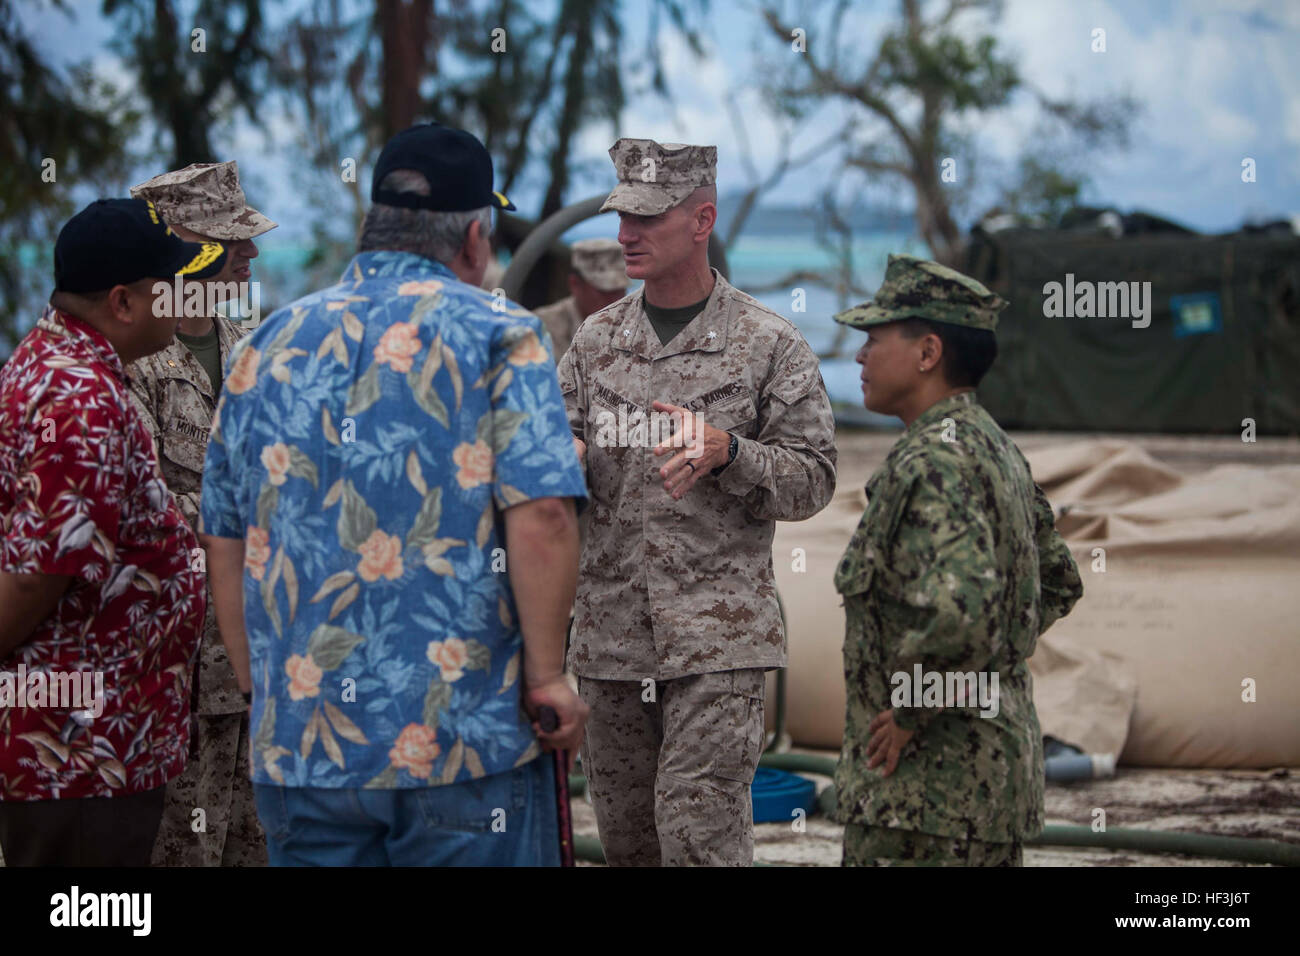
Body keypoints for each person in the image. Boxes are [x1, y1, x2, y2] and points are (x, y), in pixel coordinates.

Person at [198, 123, 589, 866]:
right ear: (475, 238)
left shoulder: (264, 346)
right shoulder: (503, 335)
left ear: (372, 225)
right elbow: (542, 514)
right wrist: (547, 678)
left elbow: (223, 535)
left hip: (302, 749)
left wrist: (263, 689)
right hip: (461, 746)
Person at [557, 138, 837, 866]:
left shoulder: (769, 343)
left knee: (698, 838)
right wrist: (566, 464)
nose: (627, 235)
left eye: (648, 218)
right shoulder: (593, 344)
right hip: (611, 644)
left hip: (717, 642)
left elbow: (815, 478)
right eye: (623, 217)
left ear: (702, 218)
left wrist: (731, 454)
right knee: (629, 844)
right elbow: (550, 465)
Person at [831, 254, 1084, 866]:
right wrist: (987, 661)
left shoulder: (932, 462)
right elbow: (1058, 581)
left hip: (925, 799)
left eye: (874, 339)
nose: (859, 357)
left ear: (927, 354)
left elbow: (962, 612)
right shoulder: (991, 445)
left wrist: (914, 712)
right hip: (988, 788)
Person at [0, 199, 224, 865]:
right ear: (124, 302)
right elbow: (38, 574)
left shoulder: (68, 370)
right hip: (77, 753)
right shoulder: (79, 401)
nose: (183, 298)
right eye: (170, 285)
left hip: (92, 744)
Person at [127, 160, 277, 867]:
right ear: (179, 244)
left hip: (249, 659)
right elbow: (134, 501)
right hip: (167, 666)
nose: (249, 254)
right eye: (228, 239)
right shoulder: (127, 356)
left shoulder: (245, 348)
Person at [534, 238, 628, 361]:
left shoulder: (634, 322)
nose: (615, 299)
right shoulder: (542, 327)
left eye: (619, 289)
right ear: (575, 284)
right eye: (604, 291)